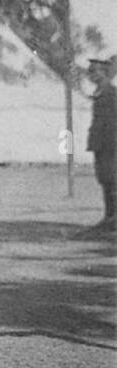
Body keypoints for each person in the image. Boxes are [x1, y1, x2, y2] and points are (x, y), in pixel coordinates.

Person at [82, 56, 117, 235]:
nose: (90, 75)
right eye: (90, 71)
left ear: (104, 73)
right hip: (101, 144)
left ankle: (113, 219)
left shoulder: (111, 93)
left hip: (110, 145)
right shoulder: (100, 91)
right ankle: (109, 216)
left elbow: (113, 122)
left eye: (94, 71)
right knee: (104, 179)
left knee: (111, 180)